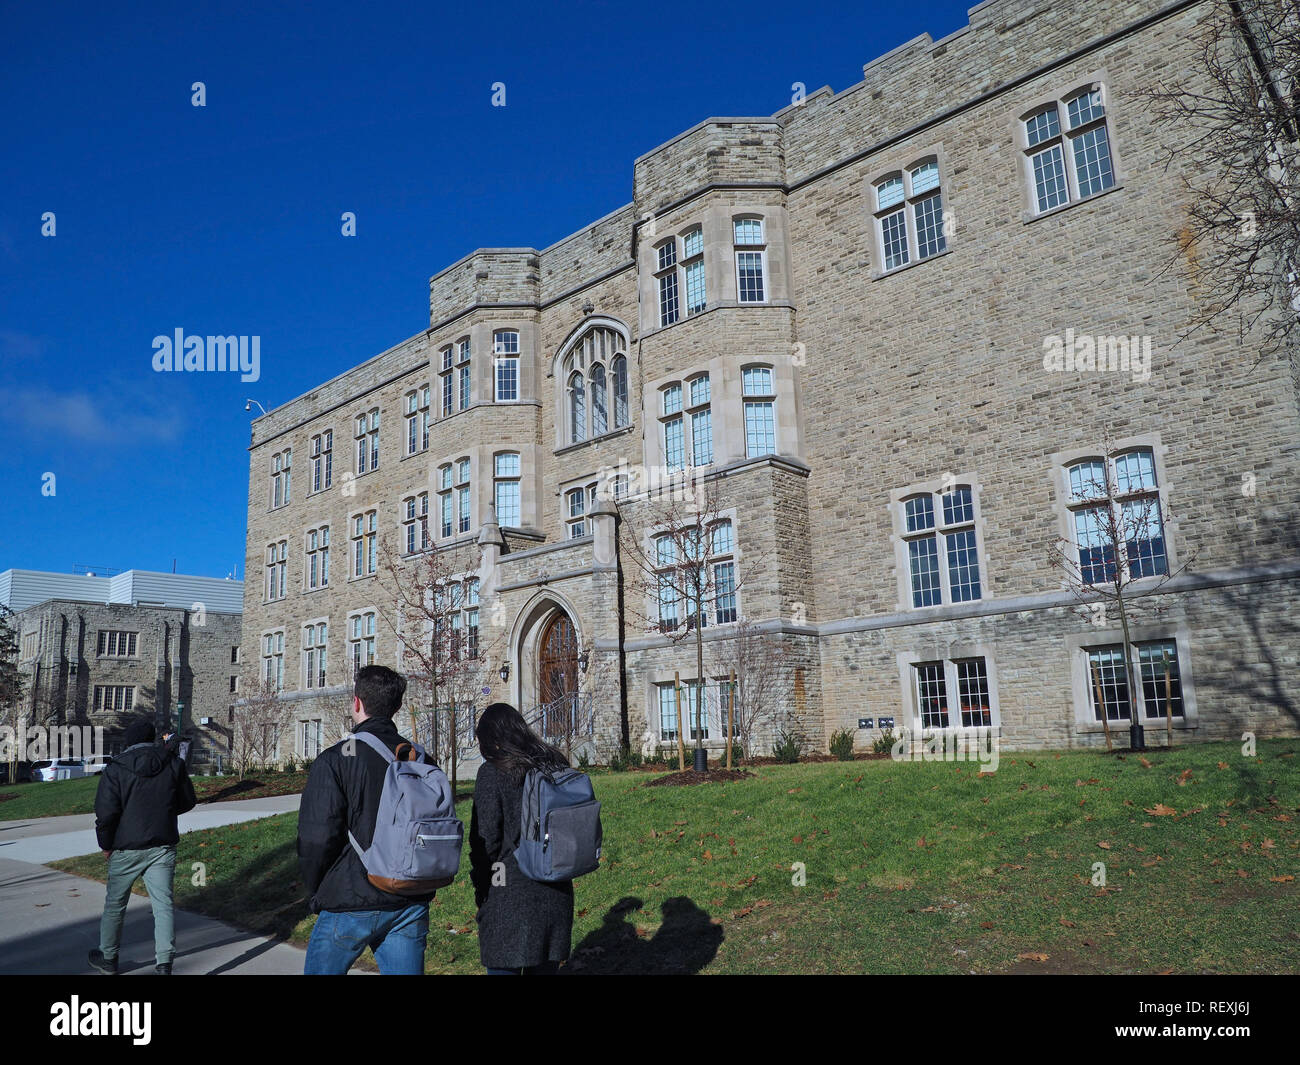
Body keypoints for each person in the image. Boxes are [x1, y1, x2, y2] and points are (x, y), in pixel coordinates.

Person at [297, 664, 437, 975]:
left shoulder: (335, 759)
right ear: (397, 706)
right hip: (409, 895)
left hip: (350, 898)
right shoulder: (421, 759)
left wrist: (317, 887)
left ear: (357, 703)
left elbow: (317, 837)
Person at [470, 702, 574, 974]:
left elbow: (487, 839)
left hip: (509, 892)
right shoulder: (554, 764)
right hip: (556, 885)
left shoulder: (492, 772)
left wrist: (481, 886)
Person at [89, 717, 197, 976]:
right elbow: (187, 800)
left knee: (115, 904)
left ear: (129, 742)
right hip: (162, 845)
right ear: (151, 739)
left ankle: (108, 957)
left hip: (125, 847)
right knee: (163, 904)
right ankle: (164, 963)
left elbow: (105, 813)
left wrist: (105, 844)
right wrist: (166, 811)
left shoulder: (116, 768)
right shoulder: (173, 763)